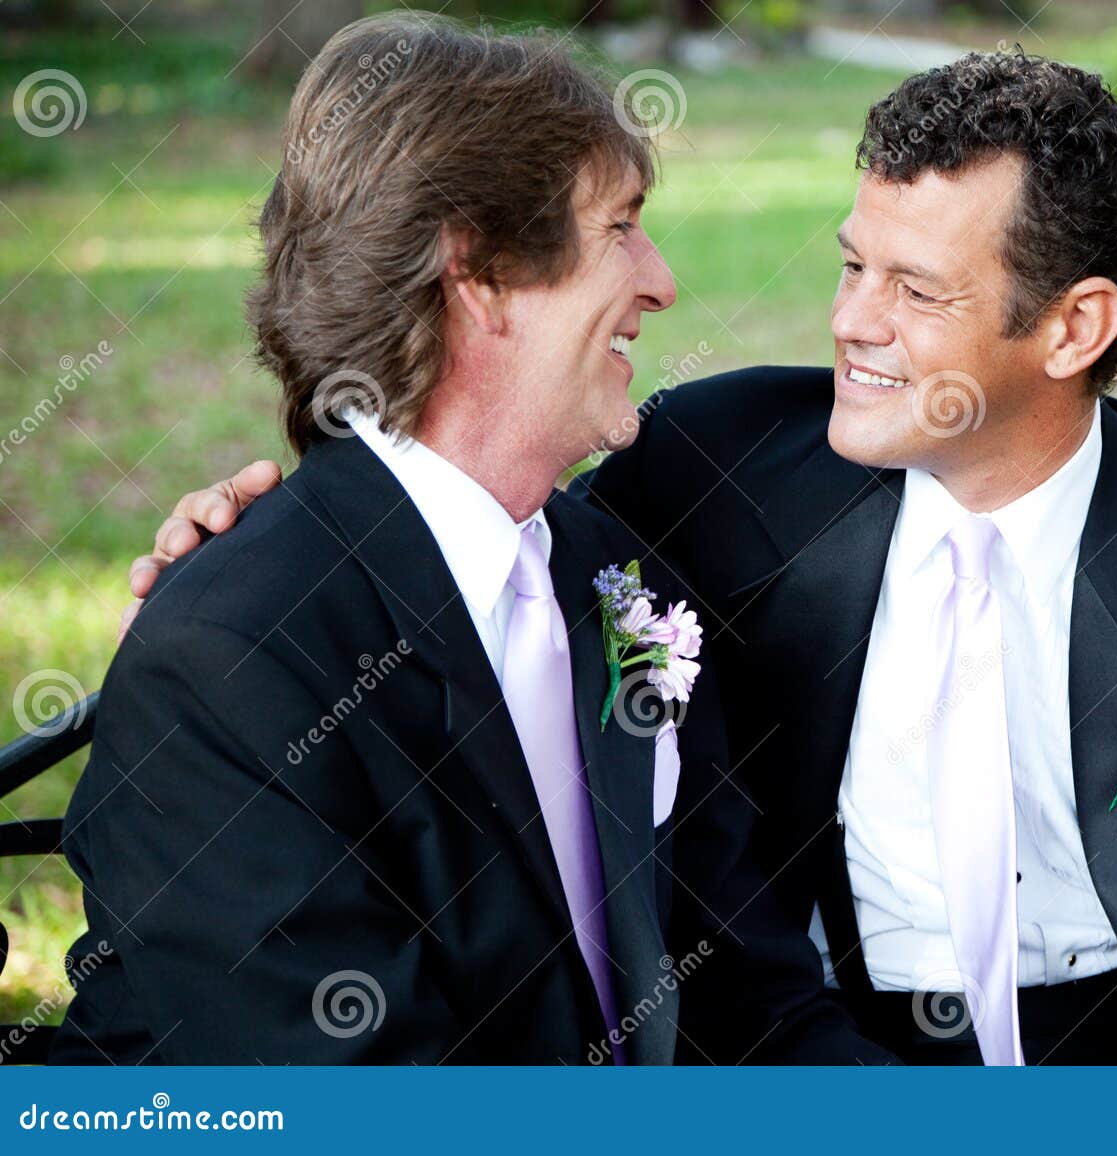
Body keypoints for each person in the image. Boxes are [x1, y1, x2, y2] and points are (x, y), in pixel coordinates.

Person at [122, 51, 1117, 1064]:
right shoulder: (710, 477)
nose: (851, 326)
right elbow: (420, 507)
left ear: (1072, 327)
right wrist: (239, 548)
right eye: (851, 265)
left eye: (915, 291)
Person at [53, 14, 729, 1064]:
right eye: (621, 227)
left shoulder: (614, 572)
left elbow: (733, 977)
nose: (661, 279)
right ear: (481, 273)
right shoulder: (230, 660)